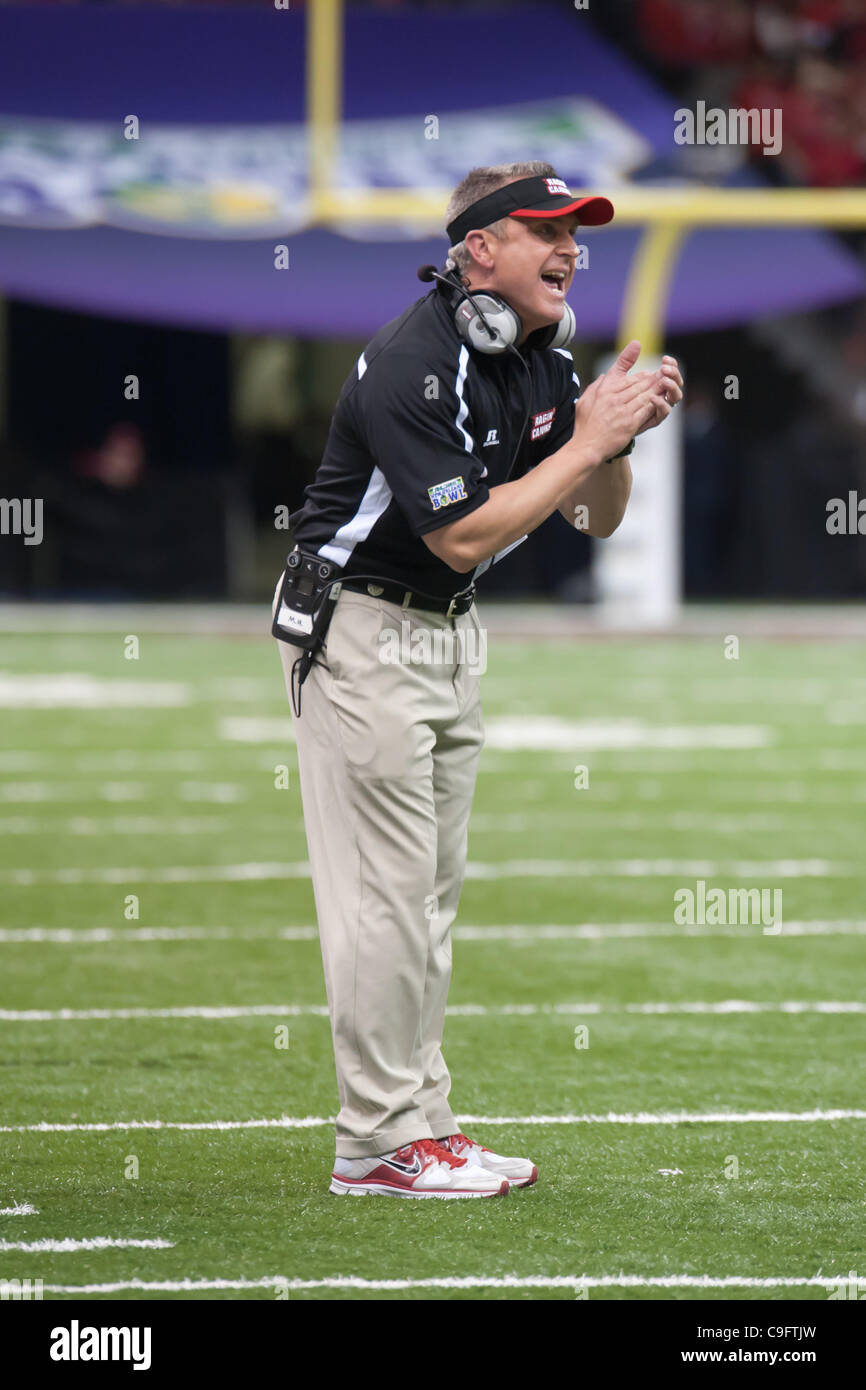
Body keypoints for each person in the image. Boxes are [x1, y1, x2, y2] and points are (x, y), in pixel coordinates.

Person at [273, 160, 683, 1198]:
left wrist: (613, 441)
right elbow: (459, 537)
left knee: (427, 900)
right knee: (385, 900)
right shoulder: (415, 359)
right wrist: (587, 436)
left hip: (444, 636)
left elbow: (595, 519)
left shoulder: (538, 357)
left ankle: (423, 1120)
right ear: (477, 248)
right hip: (361, 628)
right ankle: (373, 1141)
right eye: (547, 228)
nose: (570, 249)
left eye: (576, 231)